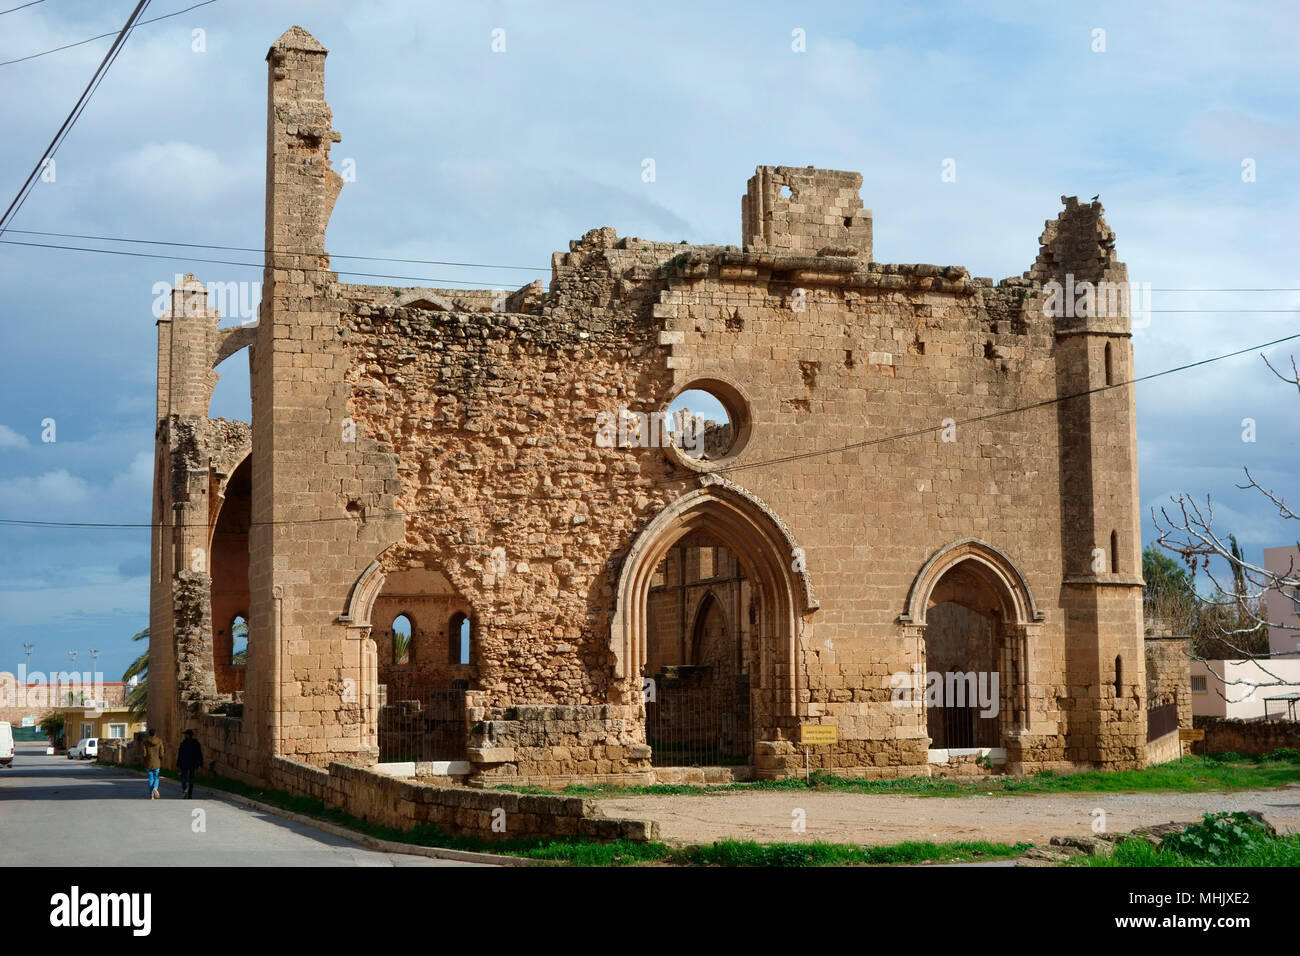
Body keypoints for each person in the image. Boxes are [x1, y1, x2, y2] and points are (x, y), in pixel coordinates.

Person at [177, 729, 203, 799]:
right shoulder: (196, 743)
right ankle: (190, 795)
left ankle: (185, 788)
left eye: (185, 734)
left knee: (183, 777)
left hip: (184, 763)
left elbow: (180, 754)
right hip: (193, 764)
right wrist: (201, 763)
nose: (184, 735)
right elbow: (199, 754)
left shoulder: (183, 743)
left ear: (188, 735)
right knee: (191, 779)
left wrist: (178, 764)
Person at [142, 728, 165, 799]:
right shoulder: (159, 741)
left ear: (149, 734)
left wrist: (145, 760)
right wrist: (161, 759)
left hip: (148, 763)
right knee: (156, 778)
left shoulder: (145, 742)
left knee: (150, 779)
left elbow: (144, 753)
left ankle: (151, 795)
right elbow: (161, 753)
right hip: (157, 762)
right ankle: (155, 788)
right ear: (155, 734)